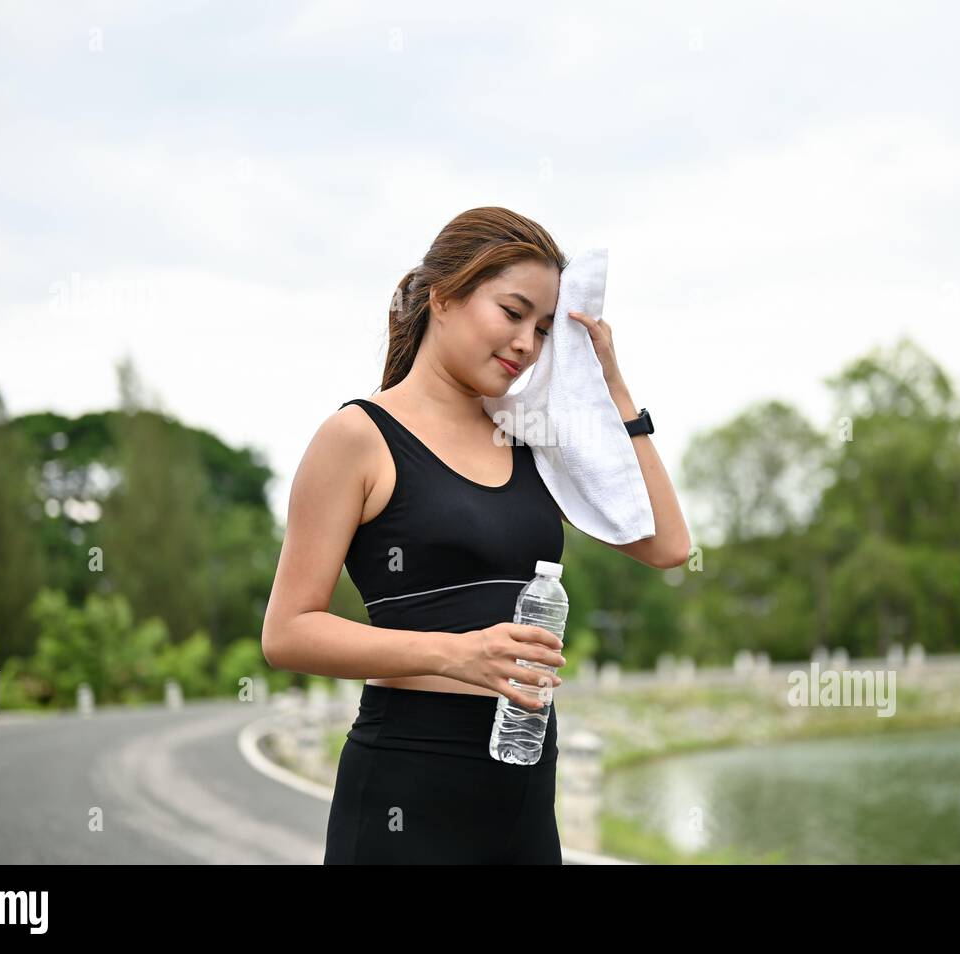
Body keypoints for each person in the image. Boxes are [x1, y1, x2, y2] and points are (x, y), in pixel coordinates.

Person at [261, 206, 691, 864]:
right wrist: (454, 655)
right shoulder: (358, 438)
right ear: (443, 297)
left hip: (522, 789)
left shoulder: (530, 443)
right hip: (406, 786)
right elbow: (287, 632)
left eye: (545, 329)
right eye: (512, 312)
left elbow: (668, 545)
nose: (527, 343)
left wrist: (612, 384)